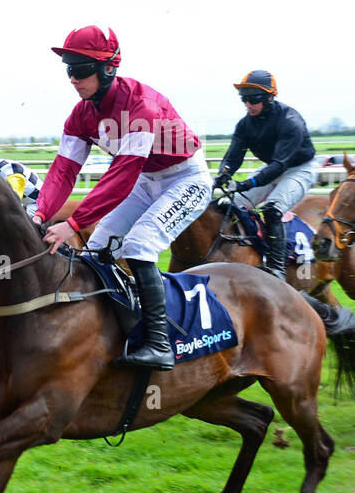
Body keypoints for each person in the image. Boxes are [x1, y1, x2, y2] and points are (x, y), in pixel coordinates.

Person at [34, 26, 211, 371]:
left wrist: (72, 223)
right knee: (99, 248)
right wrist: (40, 213)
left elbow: (123, 174)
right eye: (69, 69)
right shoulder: (81, 114)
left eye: (82, 69)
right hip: (147, 181)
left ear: (109, 68)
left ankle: (160, 344)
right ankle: (118, 328)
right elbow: (63, 170)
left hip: (186, 178)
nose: (73, 78)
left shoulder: (140, 105)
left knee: (140, 245)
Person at [213, 70, 319, 280]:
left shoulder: (290, 121)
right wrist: (222, 176)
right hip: (273, 166)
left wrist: (247, 184)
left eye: (254, 99)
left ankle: (277, 268)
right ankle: (249, 250)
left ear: (270, 97)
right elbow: (233, 157)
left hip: (299, 168)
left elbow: (280, 164)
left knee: (272, 209)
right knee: (227, 203)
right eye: (245, 100)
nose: (248, 105)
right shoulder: (245, 124)